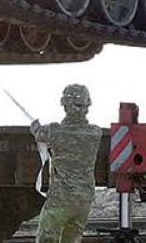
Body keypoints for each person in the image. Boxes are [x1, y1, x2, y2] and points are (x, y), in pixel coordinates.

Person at [30, 84, 103, 243]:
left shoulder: (54, 132)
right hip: (84, 200)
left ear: (65, 105)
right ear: (87, 105)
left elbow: (38, 133)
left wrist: (35, 125)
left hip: (61, 201)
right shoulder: (95, 133)